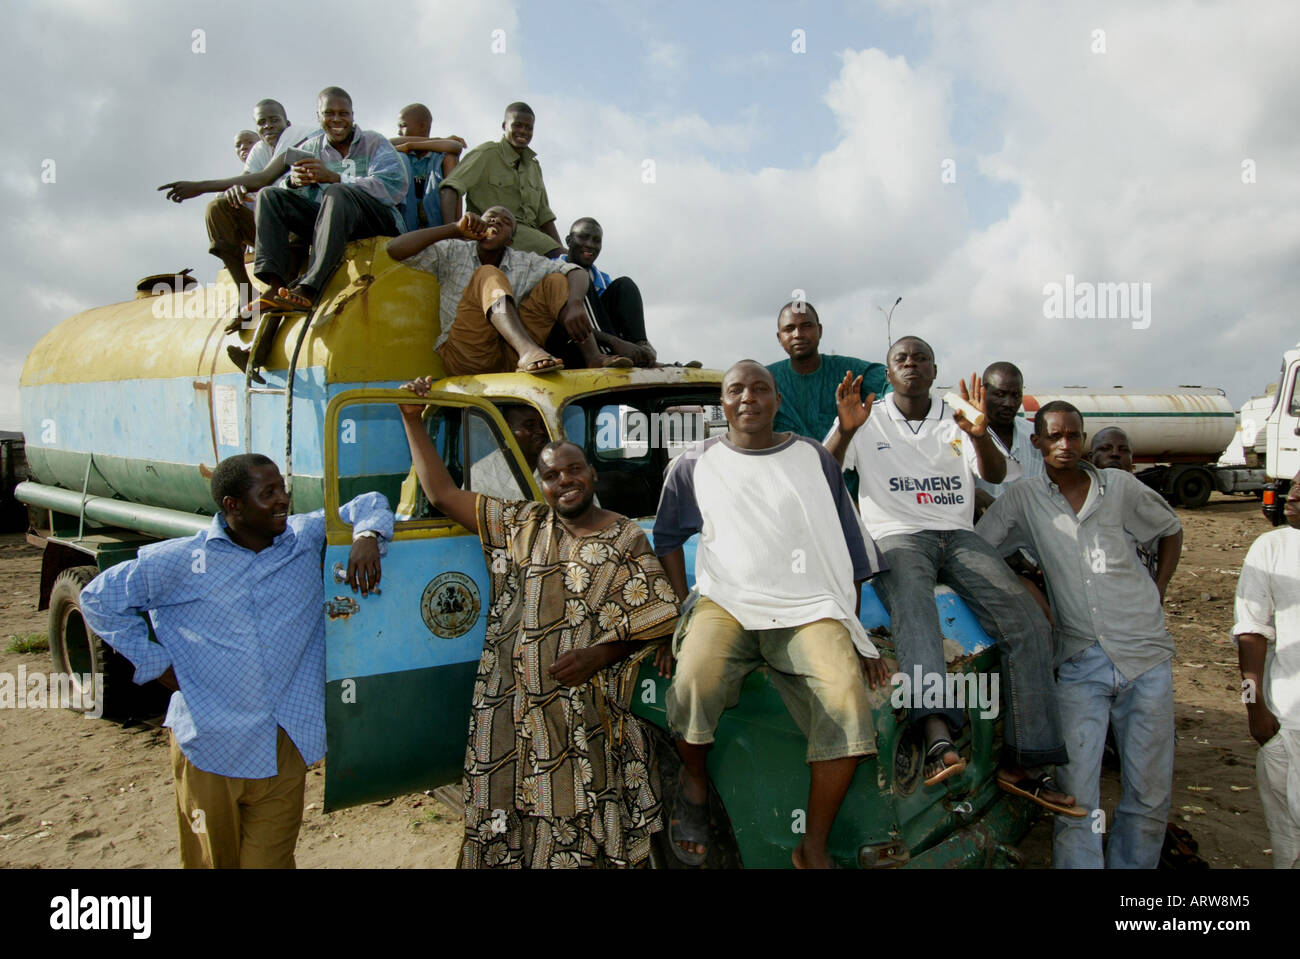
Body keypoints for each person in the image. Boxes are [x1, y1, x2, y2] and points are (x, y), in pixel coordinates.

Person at [397, 377, 680, 868]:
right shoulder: (520, 523)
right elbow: (442, 494)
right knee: (507, 810)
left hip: (584, 713)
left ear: (591, 474)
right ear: (540, 481)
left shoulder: (626, 537)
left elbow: (653, 618)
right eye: (552, 475)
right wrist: (411, 421)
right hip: (509, 705)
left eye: (574, 470)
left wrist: (596, 657)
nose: (565, 481)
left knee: (580, 813)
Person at [78, 454, 392, 868]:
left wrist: (366, 535)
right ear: (232, 506)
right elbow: (98, 599)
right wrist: (156, 664)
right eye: (268, 493)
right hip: (210, 745)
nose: (283, 499)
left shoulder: (302, 539)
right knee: (213, 862)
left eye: (282, 488)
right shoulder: (181, 560)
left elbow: (371, 502)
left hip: (284, 740)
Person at [824, 336, 1080, 814]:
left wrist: (981, 435)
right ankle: (937, 732)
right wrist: (843, 429)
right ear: (889, 370)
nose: (911, 365)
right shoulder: (868, 417)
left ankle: (1024, 763)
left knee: (1026, 621)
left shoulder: (957, 414)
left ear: (934, 367)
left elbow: (996, 475)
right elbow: (827, 471)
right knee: (915, 606)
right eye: (901, 359)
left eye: (921, 358)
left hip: (958, 535)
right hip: (897, 535)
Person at [654, 360, 890, 868]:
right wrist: (681, 607)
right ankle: (694, 783)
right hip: (726, 604)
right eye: (736, 389)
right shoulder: (693, 463)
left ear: (776, 400)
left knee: (849, 704)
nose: (748, 398)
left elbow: (844, 547)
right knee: (693, 683)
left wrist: (855, 632)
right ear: (722, 404)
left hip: (806, 607)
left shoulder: (812, 458)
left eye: (760, 388)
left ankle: (813, 844)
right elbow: (668, 537)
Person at [977, 402, 1183, 869]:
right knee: (1075, 797)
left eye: (1074, 435)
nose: (1066, 445)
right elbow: (979, 549)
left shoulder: (1122, 487)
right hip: (1079, 660)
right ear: (1038, 443)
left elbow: (1170, 529)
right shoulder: (1022, 499)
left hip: (1145, 655)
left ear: (1083, 439)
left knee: (1149, 793)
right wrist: (1028, 587)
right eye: (1055, 437)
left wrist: (1159, 589)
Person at [162, 87, 408, 377]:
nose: (337, 119)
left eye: (344, 113)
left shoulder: (373, 142)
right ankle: (275, 287)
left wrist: (335, 176)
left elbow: (394, 187)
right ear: (319, 117)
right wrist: (293, 182)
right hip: (329, 220)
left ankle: (309, 287)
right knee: (270, 195)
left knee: (339, 192)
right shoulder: (311, 149)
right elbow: (279, 188)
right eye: (329, 113)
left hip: (375, 219)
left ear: (353, 116)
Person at [388, 206, 631, 374]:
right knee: (488, 274)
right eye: (490, 218)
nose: (494, 222)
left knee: (557, 281)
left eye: (504, 223)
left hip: (509, 355)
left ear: (510, 240)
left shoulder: (522, 261)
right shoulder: (453, 250)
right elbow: (395, 250)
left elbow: (574, 270)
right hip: (468, 354)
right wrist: (454, 228)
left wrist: (575, 303)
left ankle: (593, 358)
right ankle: (528, 351)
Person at [1233, 469, 1300, 869]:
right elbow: (1251, 633)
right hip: (1285, 725)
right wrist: (1253, 708)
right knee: (1288, 844)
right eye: (1293, 485)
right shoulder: (1270, 549)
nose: (1292, 493)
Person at [766, 301, 886, 499]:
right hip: (787, 491)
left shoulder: (851, 371)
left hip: (846, 492)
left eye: (806, 326)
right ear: (779, 338)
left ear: (819, 330)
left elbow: (891, 382)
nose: (798, 334)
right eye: (789, 329)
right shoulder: (766, 379)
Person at [437, 102, 564, 256]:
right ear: (504, 126)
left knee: (572, 263)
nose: (523, 131)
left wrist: (561, 254)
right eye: (517, 125)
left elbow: (545, 217)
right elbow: (450, 187)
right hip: (495, 232)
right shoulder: (487, 153)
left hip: (533, 239)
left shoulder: (534, 167)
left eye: (528, 128)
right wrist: (452, 236)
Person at [557, 217, 659, 367]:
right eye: (583, 237)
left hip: (612, 343)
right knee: (578, 276)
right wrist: (614, 342)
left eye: (596, 240)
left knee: (625, 285)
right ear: (569, 240)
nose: (590, 245)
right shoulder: (553, 272)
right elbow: (567, 323)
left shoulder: (603, 281)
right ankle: (606, 357)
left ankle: (642, 351)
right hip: (570, 345)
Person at [973, 361, 1043, 510]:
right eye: (1000, 394)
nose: (1009, 403)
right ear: (982, 392)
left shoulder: (1035, 435)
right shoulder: (962, 435)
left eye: (1016, 395)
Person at [390, 102, 467, 232]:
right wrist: (438, 140)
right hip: (406, 222)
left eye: (403, 126)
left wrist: (411, 145)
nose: (399, 131)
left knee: (451, 159)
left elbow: (455, 147)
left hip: (434, 218)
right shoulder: (404, 155)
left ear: (422, 126)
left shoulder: (437, 157)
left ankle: (452, 228)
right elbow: (389, 143)